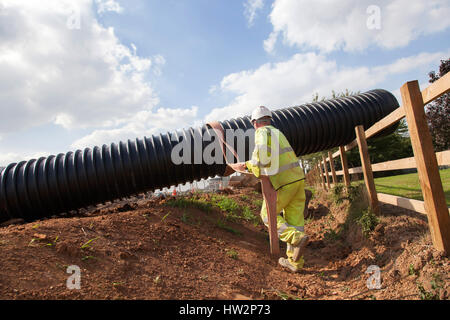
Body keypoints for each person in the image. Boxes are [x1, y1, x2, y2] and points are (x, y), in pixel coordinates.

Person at [233, 106, 309, 272]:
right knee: (295, 221)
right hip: (298, 180)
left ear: (255, 123)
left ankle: (296, 238)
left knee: (267, 215)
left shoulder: (262, 133)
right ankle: (295, 262)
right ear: (269, 119)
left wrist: (247, 165)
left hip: (284, 183)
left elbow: (261, 159)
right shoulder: (278, 132)